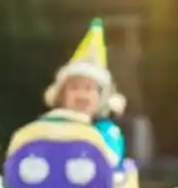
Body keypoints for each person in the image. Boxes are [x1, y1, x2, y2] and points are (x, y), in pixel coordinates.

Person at [40, 17, 127, 163]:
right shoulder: (46, 126)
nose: (81, 94)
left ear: (101, 97)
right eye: (74, 88)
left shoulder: (106, 131)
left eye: (88, 89)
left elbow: (109, 161)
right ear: (61, 96)